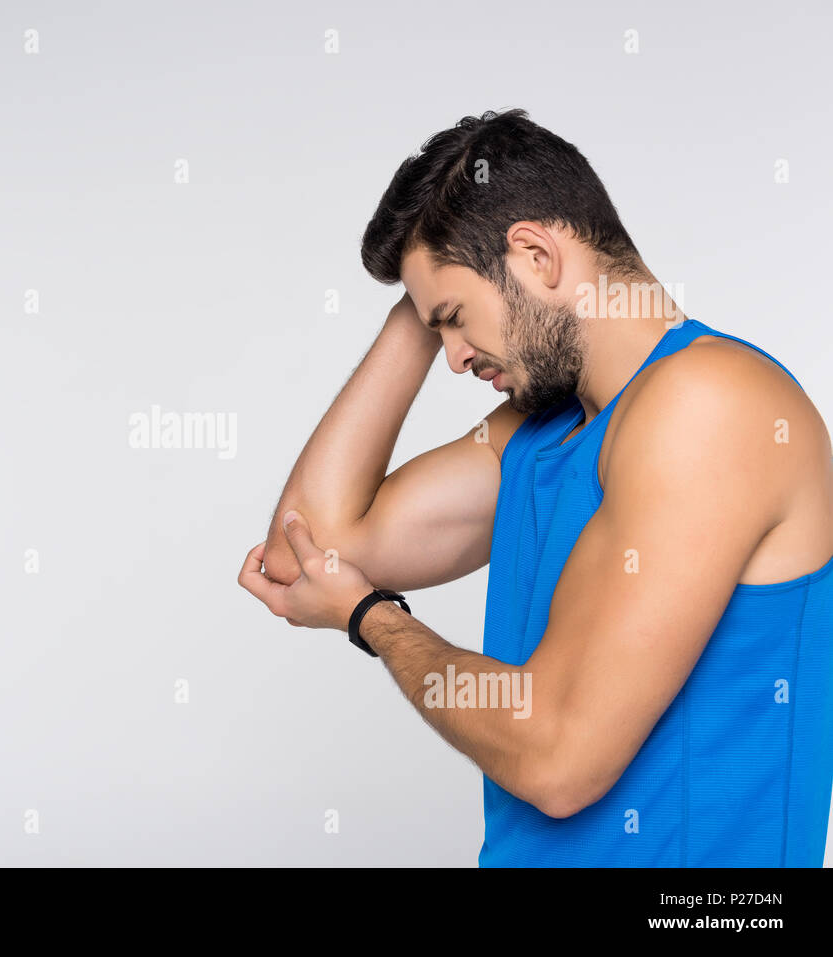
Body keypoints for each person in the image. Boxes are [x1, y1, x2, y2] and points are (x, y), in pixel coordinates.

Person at [238, 109, 833, 867]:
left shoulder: (710, 403)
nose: (451, 358)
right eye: (436, 332)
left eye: (453, 321)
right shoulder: (538, 431)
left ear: (536, 255)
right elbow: (307, 546)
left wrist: (373, 620)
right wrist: (423, 298)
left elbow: (559, 758)